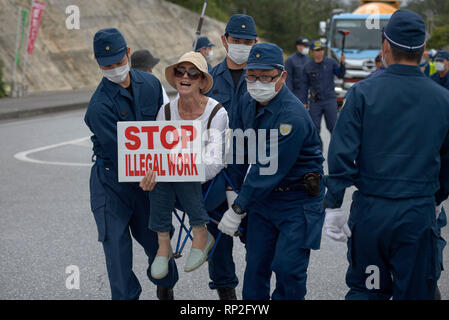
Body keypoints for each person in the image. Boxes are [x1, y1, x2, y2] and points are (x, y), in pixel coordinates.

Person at [323, 10, 449, 300]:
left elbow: (341, 152)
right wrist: (437, 198)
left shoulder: (362, 94)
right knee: (416, 292)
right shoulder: (443, 99)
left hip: (372, 214)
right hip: (417, 213)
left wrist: (333, 204)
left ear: (385, 46)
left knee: (368, 291)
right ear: (423, 51)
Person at [219, 43, 325, 300]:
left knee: (288, 270)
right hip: (263, 201)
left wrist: (238, 209)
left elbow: (268, 167)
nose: (257, 82)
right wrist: (232, 189)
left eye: (266, 77)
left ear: (282, 76)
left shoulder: (292, 116)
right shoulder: (246, 100)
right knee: (255, 267)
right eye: (252, 76)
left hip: (296, 201)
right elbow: (239, 149)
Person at [84, 28, 178, 300]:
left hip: (149, 180)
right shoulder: (99, 107)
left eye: (118, 61)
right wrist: (146, 172)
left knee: (158, 244)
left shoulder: (151, 85)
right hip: (112, 182)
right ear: (97, 61)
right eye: (106, 65)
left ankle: (166, 286)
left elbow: (167, 130)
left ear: (127, 53)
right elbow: (120, 154)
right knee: (116, 249)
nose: (114, 69)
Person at [139, 51, 229, 280]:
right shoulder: (166, 111)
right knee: (158, 170)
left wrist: (184, 166)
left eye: (193, 73)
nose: (185, 76)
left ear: (201, 81)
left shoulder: (218, 112)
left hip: (211, 184)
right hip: (176, 183)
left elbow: (215, 160)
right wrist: (152, 171)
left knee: (178, 166)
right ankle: (163, 244)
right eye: (180, 71)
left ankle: (200, 232)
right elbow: (157, 153)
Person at [205, 13, 258, 300]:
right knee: (219, 242)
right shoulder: (209, 80)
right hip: (218, 174)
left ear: (255, 42)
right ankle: (227, 297)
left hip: (254, 174)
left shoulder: (264, 78)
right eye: (236, 40)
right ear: (225, 41)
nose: (241, 45)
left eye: (247, 41)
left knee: (257, 241)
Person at [299, 40, 346, 136]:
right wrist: (303, 102)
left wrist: (342, 64)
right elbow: (304, 86)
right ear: (311, 52)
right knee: (314, 129)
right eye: (317, 50)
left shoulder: (331, 62)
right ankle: (317, 150)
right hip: (315, 101)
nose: (320, 52)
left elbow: (340, 75)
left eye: (321, 49)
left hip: (330, 100)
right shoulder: (307, 67)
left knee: (333, 127)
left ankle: (335, 150)